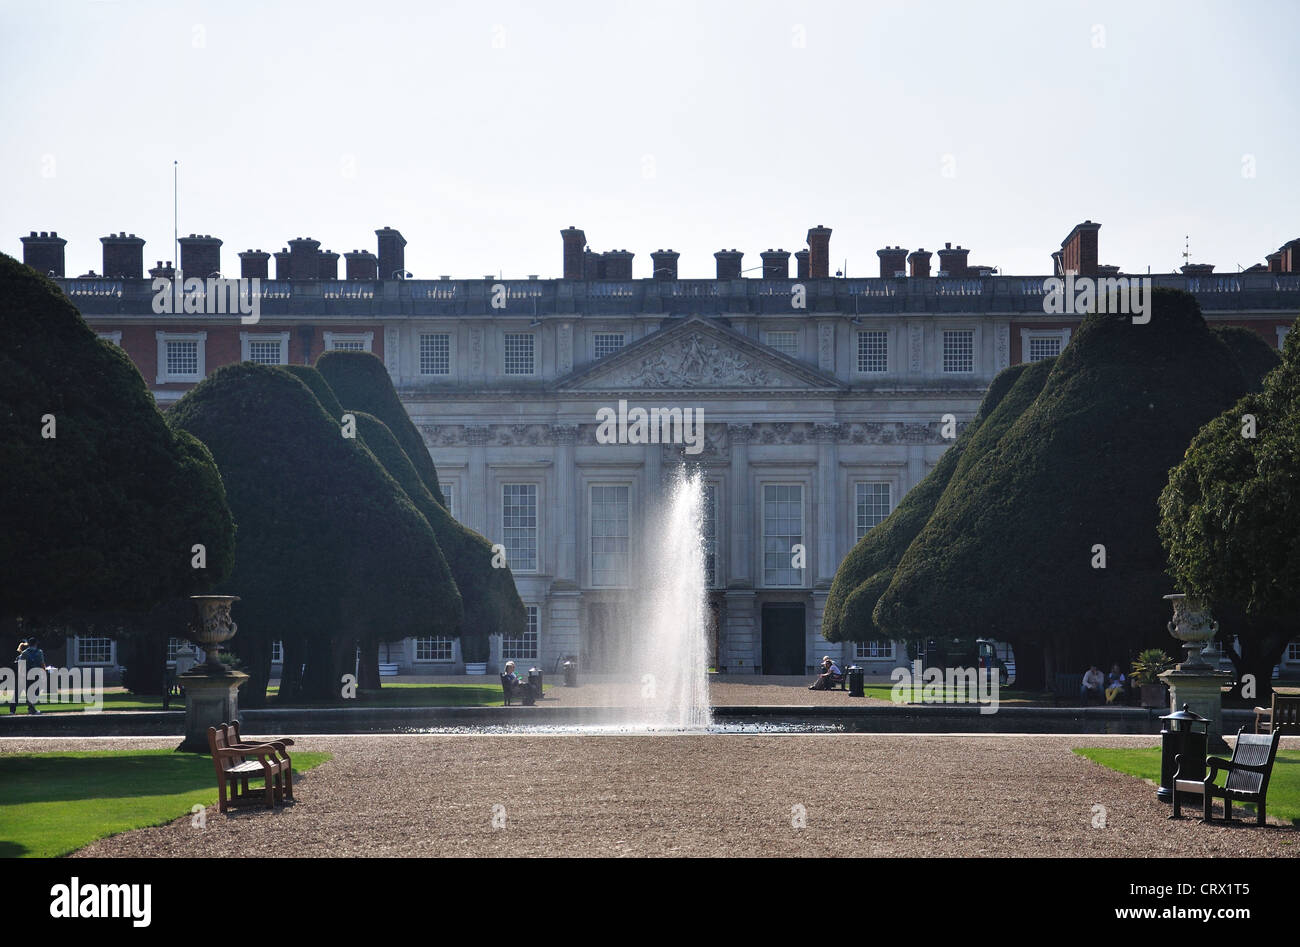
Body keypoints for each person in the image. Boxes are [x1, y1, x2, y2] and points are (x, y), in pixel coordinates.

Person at [10, 637, 45, 714]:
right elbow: (42, 664)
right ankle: (31, 708)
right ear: (36, 643)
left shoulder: (24, 653)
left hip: (24, 675)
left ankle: (12, 710)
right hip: (35, 675)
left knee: (17, 693)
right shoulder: (39, 652)